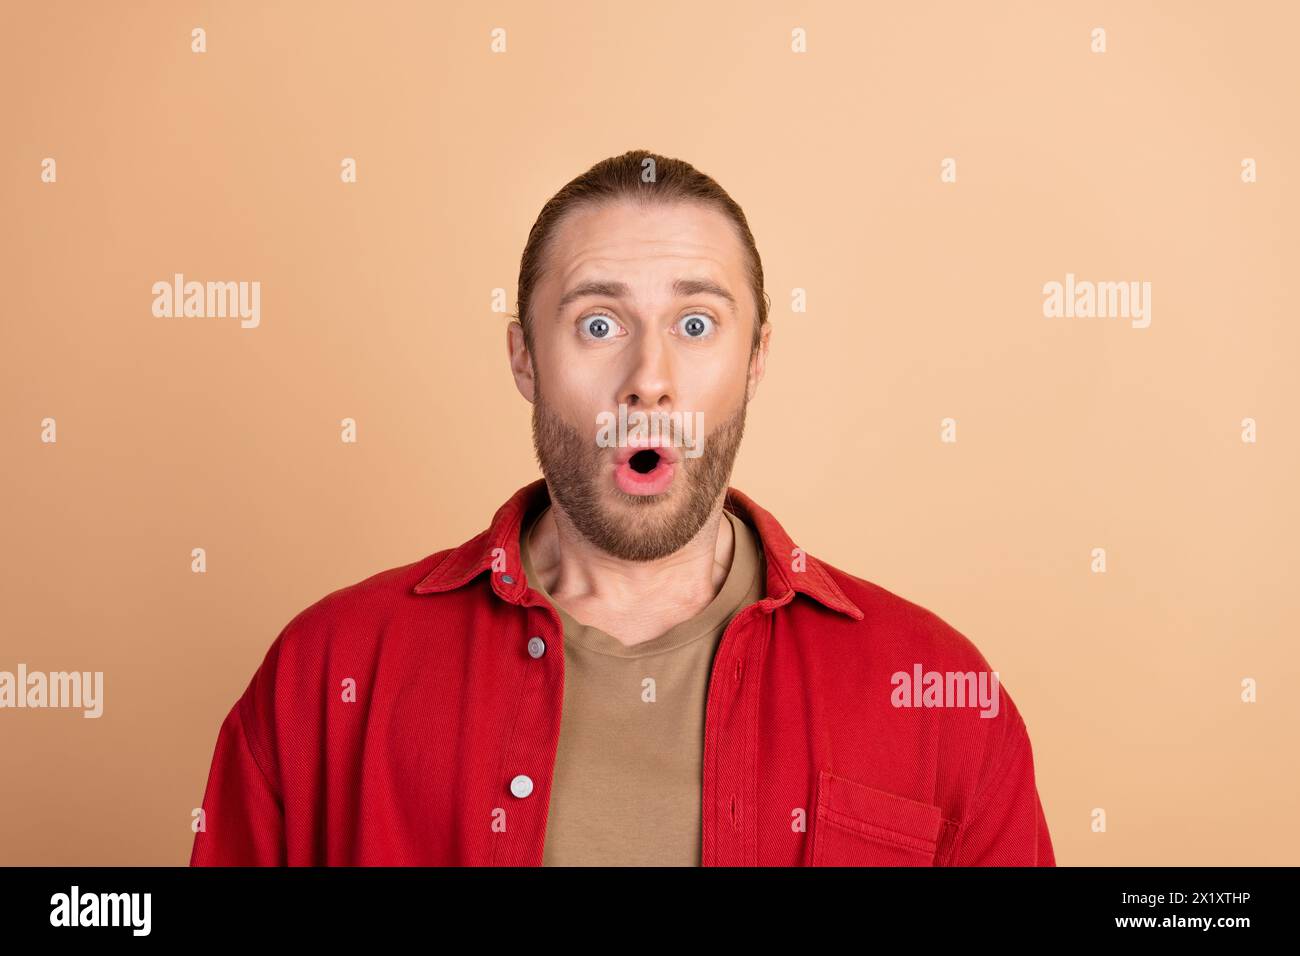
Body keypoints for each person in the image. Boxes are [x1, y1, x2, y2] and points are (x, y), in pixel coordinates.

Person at [190, 149, 1055, 866]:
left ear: (756, 360)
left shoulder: (940, 699)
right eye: (598, 324)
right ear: (525, 360)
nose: (649, 379)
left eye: (696, 324)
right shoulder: (325, 675)